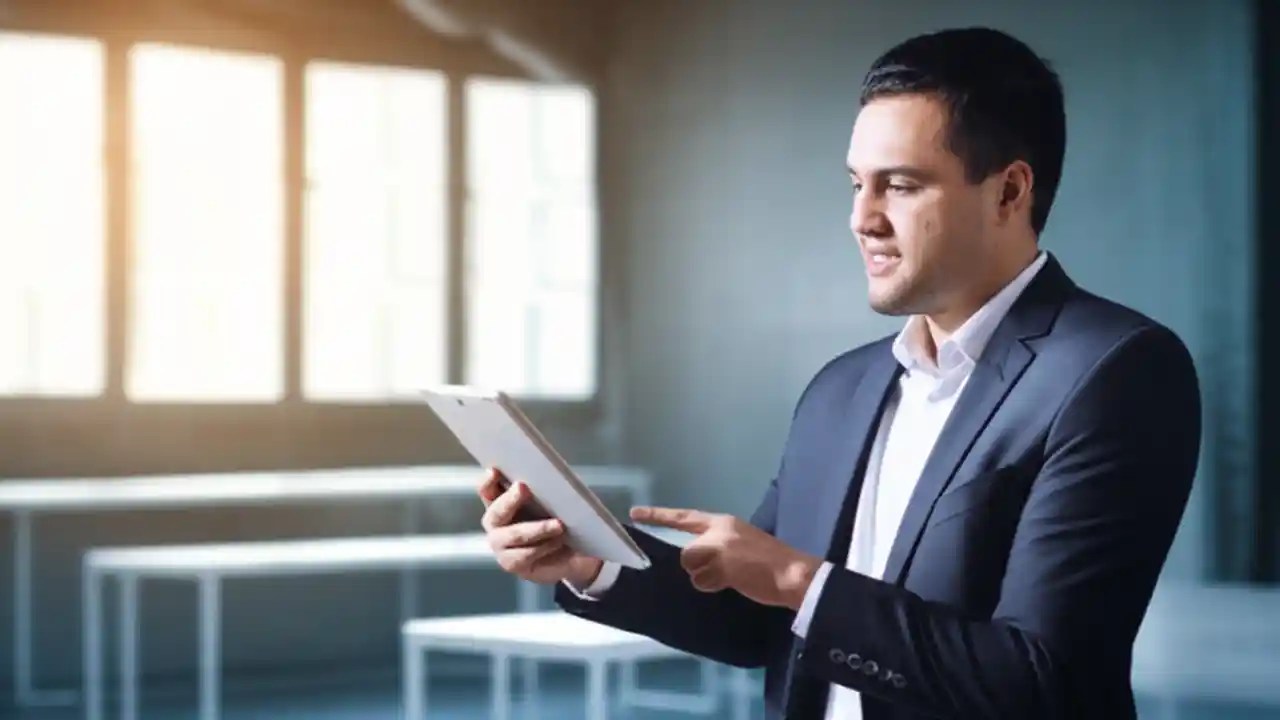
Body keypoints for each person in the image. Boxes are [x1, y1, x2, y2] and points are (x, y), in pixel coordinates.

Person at [476, 26, 1200, 720]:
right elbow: (753, 622)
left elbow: (1043, 681)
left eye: (901, 185)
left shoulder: (1116, 370)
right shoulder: (841, 389)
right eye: (856, 183)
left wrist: (798, 579)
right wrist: (586, 559)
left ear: (1009, 192)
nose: (863, 216)